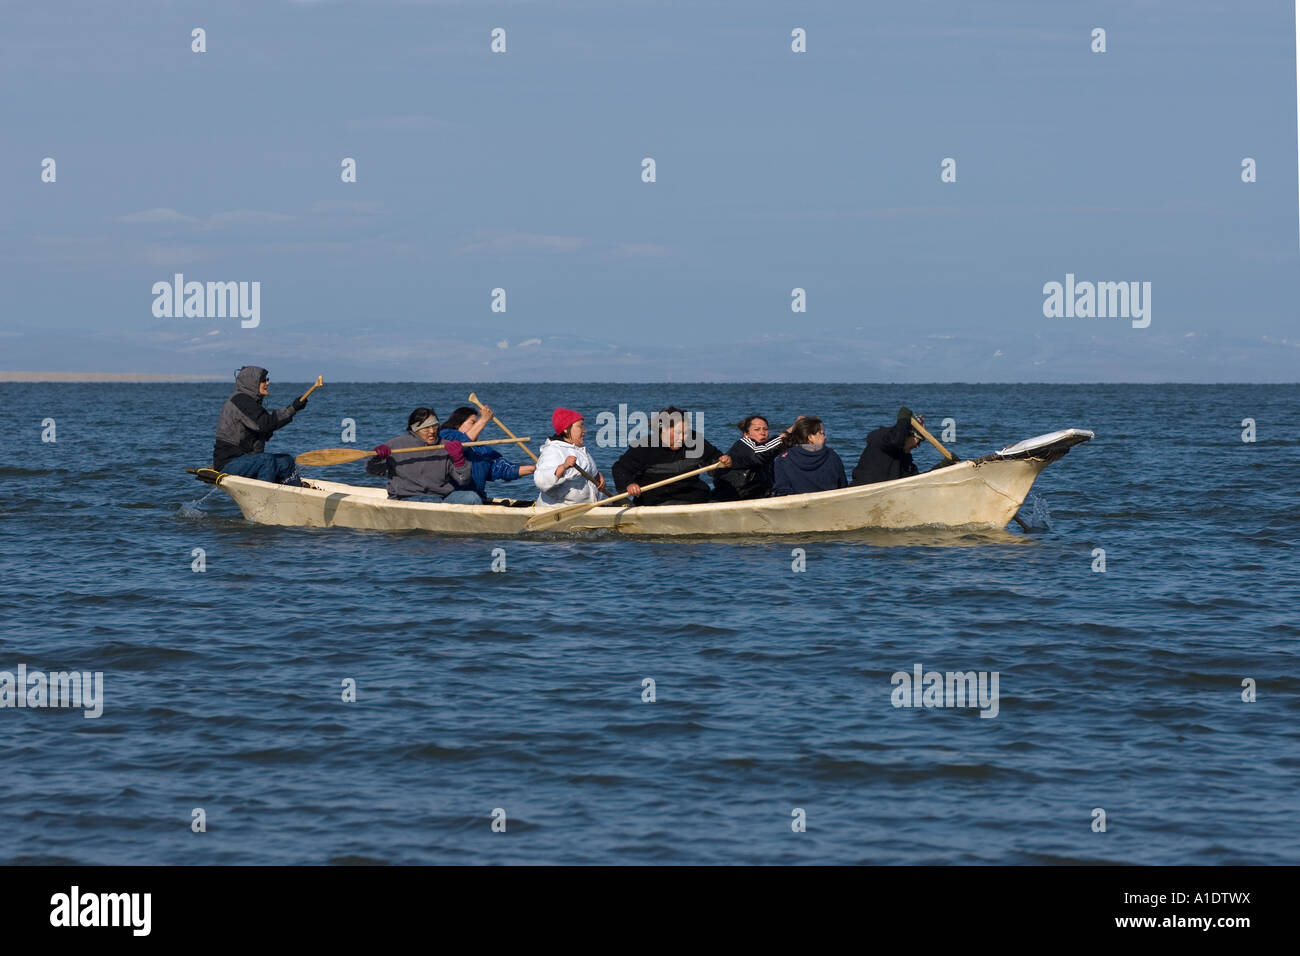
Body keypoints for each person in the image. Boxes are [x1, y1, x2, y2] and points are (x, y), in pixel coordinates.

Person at [611, 407, 732, 506]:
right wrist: (629, 484)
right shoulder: (644, 446)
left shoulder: (695, 440)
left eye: (686, 433)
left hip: (695, 497)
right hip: (658, 501)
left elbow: (715, 460)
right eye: (679, 433)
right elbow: (620, 469)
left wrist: (723, 462)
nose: (683, 438)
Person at [212, 365, 308, 484]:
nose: (267, 383)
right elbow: (266, 424)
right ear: (252, 383)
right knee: (266, 460)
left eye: (267, 379)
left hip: (247, 460)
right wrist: (293, 409)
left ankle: (294, 493)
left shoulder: (250, 402)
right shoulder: (241, 401)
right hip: (229, 463)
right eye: (263, 380)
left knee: (287, 461)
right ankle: (264, 498)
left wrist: (292, 411)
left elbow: (264, 429)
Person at [366, 408, 480, 503]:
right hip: (406, 498)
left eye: (435, 426)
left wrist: (459, 460)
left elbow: (463, 480)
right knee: (429, 501)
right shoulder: (396, 444)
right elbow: (373, 470)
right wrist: (377, 457)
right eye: (426, 428)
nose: (432, 431)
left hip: (440, 497)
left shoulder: (446, 446)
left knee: (472, 498)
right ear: (415, 429)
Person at [439, 406, 537, 502]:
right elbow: (461, 443)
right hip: (451, 496)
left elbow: (505, 470)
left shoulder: (483, 450)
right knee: (472, 497)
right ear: (457, 424)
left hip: (477, 498)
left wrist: (534, 468)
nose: (478, 426)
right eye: (473, 422)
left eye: (477, 423)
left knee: (475, 498)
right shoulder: (446, 435)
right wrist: (483, 420)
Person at [533, 408, 607, 508]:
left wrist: (597, 476)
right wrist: (563, 467)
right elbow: (541, 481)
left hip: (588, 508)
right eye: (580, 426)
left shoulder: (580, 450)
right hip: (560, 511)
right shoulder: (553, 450)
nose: (585, 430)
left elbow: (588, 471)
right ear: (566, 429)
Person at [712, 414, 797, 501]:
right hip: (731, 497)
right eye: (757, 429)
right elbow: (760, 454)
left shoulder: (770, 450)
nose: (762, 433)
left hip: (758, 497)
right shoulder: (744, 443)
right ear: (746, 434)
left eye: (766, 429)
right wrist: (788, 432)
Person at [771, 417, 848, 495]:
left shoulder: (783, 459)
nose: (825, 437)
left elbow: (782, 491)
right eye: (822, 433)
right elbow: (843, 488)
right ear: (810, 437)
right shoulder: (832, 456)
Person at [851, 406, 925, 485]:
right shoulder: (881, 438)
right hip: (864, 490)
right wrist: (904, 419)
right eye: (918, 441)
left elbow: (917, 480)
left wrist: (939, 467)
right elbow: (896, 440)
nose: (917, 446)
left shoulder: (905, 458)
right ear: (908, 434)